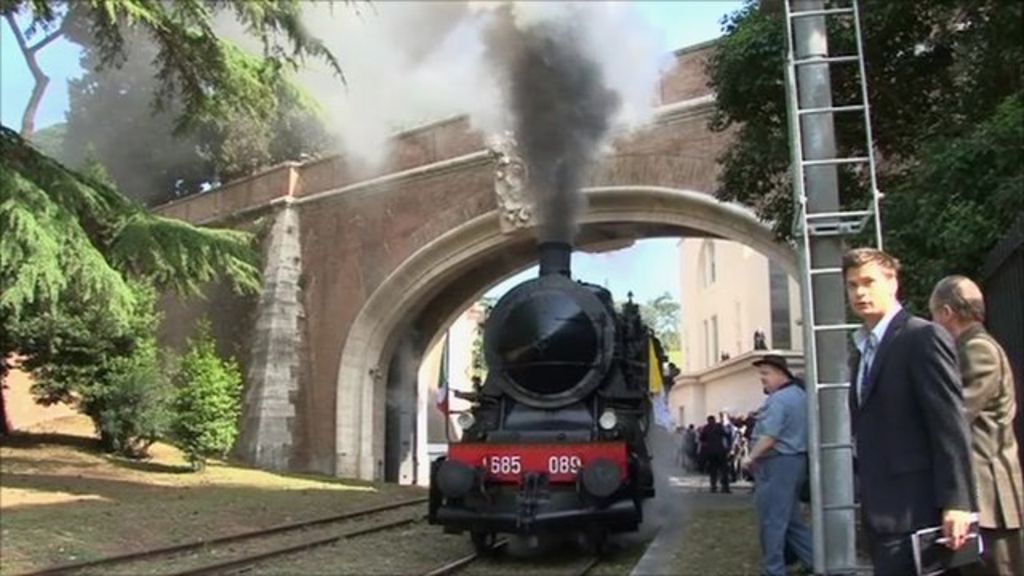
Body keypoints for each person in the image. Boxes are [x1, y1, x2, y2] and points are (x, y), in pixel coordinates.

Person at [844, 248, 976, 574]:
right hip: (881, 511)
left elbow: (949, 423)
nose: (860, 292)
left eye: (869, 282)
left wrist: (958, 502)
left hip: (918, 511)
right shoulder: (862, 350)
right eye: (852, 285)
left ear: (892, 283)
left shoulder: (922, 337)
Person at [930, 275, 1024, 575]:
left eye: (934, 316)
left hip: (989, 494)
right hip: (982, 493)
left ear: (946, 313)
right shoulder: (972, 347)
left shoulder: (977, 349)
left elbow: (954, 414)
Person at [742, 354, 813, 575]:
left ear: (781, 374)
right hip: (794, 462)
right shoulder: (799, 395)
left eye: (766, 373)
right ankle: (817, 560)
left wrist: (750, 457)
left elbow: (769, 436)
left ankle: (774, 569)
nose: (762, 378)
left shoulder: (779, 400)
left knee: (772, 521)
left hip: (777, 463)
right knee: (791, 520)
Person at [699, 415, 730, 493]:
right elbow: (726, 434)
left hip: (711, 452)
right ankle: (724, 487)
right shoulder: (718, 426)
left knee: (713, 470)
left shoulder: (706, 428)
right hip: (720, 451)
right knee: (723, 470)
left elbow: (701, 439)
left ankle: (713, 487)